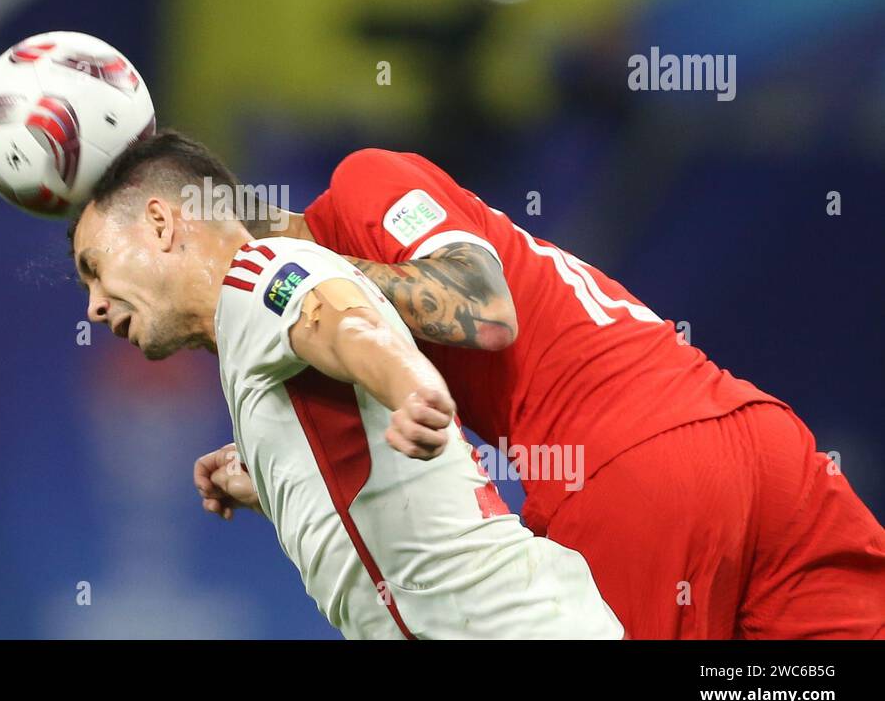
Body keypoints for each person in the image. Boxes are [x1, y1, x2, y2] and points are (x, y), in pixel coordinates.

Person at [195, 141, 885, 639]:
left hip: (631, 473)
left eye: (101, 272)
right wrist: (285, 482)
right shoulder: (340, 332)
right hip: (752, 440)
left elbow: (485, 309)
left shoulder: (359, 188)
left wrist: (299, 275)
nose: (100, 309)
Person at [70, 133, 623, 639]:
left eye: (96, 267)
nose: (93, 305)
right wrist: (274, 478)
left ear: (162, 225)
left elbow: (346, 327)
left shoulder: (260, 274)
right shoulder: (248, 322)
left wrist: (410, 390)